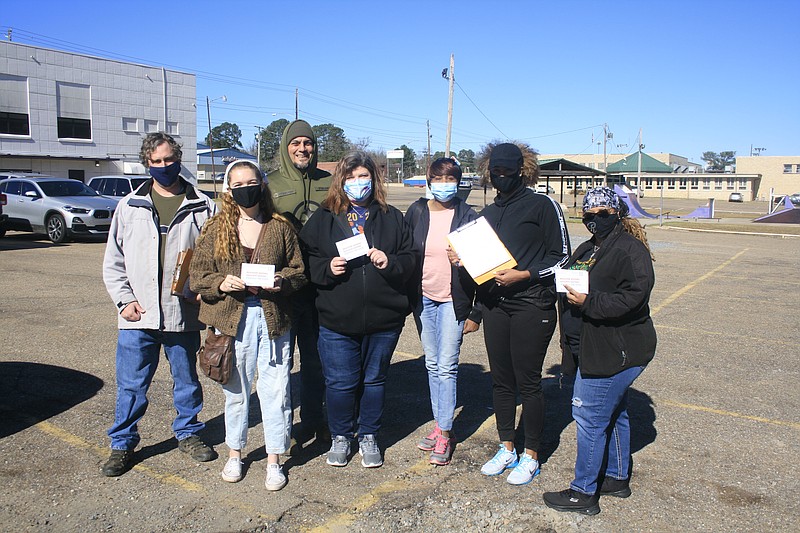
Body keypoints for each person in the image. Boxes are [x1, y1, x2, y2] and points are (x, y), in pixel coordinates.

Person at [449, 142, 570, 485]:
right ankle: (507, 446)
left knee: (528, 381)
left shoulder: (542, 205)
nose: (502, 177)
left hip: (533, 303)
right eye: (496, 172)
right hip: (495, 307)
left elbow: (561, 255)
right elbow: (479, 270)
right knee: (501, 380)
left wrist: (526, 275)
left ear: (523, 169)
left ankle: (532, 453)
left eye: (508, 171)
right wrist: (462, 262)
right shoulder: (486, 215)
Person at [101, 132, 218, 477]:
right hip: (139, 316)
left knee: (186, 380)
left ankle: (189, 433)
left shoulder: (205, 205)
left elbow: (216, 258)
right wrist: (124, 302)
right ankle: (122, 443)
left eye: (169, 160)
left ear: (179, 159)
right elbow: (114, 260)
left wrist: (203, 291)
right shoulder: (130, 205)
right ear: (147, 164)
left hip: (183, 314)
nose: (164, 167)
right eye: (156, 162)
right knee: (132, 385)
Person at [190, 160, 306, 491]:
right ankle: (234, 453)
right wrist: (220, 284)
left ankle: (274, 459)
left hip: (273, 320)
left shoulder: (280, 227)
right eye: (238, 184)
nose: (246, 189)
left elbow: (299, 270)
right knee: (236, 392)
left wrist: (282, 281)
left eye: (251, 182)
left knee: (276, 390)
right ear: (229, 190)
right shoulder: (215, 228)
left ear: (262, 184)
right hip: (231, 320)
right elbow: (198, 276)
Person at [543, 186, 656, 515]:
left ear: (617, 213)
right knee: (615, 411)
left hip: (614, 350)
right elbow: (570, 281)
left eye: (603, 214)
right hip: (589, 347)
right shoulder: (587, 248)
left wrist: (590, 302)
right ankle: (617, 478)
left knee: (590, 418)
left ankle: (583, 493)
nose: (595, 221)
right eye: (589, 216)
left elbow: (635, 296)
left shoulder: (629, 249)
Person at [299, 151, 416, 468]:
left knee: (374, 380)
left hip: (384, 318)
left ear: (374, 180)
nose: (357, 183)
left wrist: (389, 261)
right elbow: (304, 260)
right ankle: (340, 436)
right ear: (340, 181)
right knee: (339, 382)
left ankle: (369, 435)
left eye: (363, 176)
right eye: (350, 177)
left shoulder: (392, 216)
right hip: (337, 318)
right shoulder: (324, 217)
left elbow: (410, 259)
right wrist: (326, 267)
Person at [405, 157, 480, 466]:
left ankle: (446, 433)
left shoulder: (468, 215)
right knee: (432, 364)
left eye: (451, 179)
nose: (445, 185)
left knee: (447, 365)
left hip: (453, 299)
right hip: (423, 297)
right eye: (439, 178)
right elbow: (405, 251)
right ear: (429, 180)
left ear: (459, 181)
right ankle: (439, 425)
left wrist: (465, 261)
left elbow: (485, 265)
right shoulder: (417, 211)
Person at [267, 120, 332, 451]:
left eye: (308, 142)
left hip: (321, 286)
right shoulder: (271, 184)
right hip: (284, 289)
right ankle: (282, 426)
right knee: (280, 362)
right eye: (296, 143)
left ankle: (313, 420)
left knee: (315, 358)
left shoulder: (329, 183)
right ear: (285, 146)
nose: (302, 148)